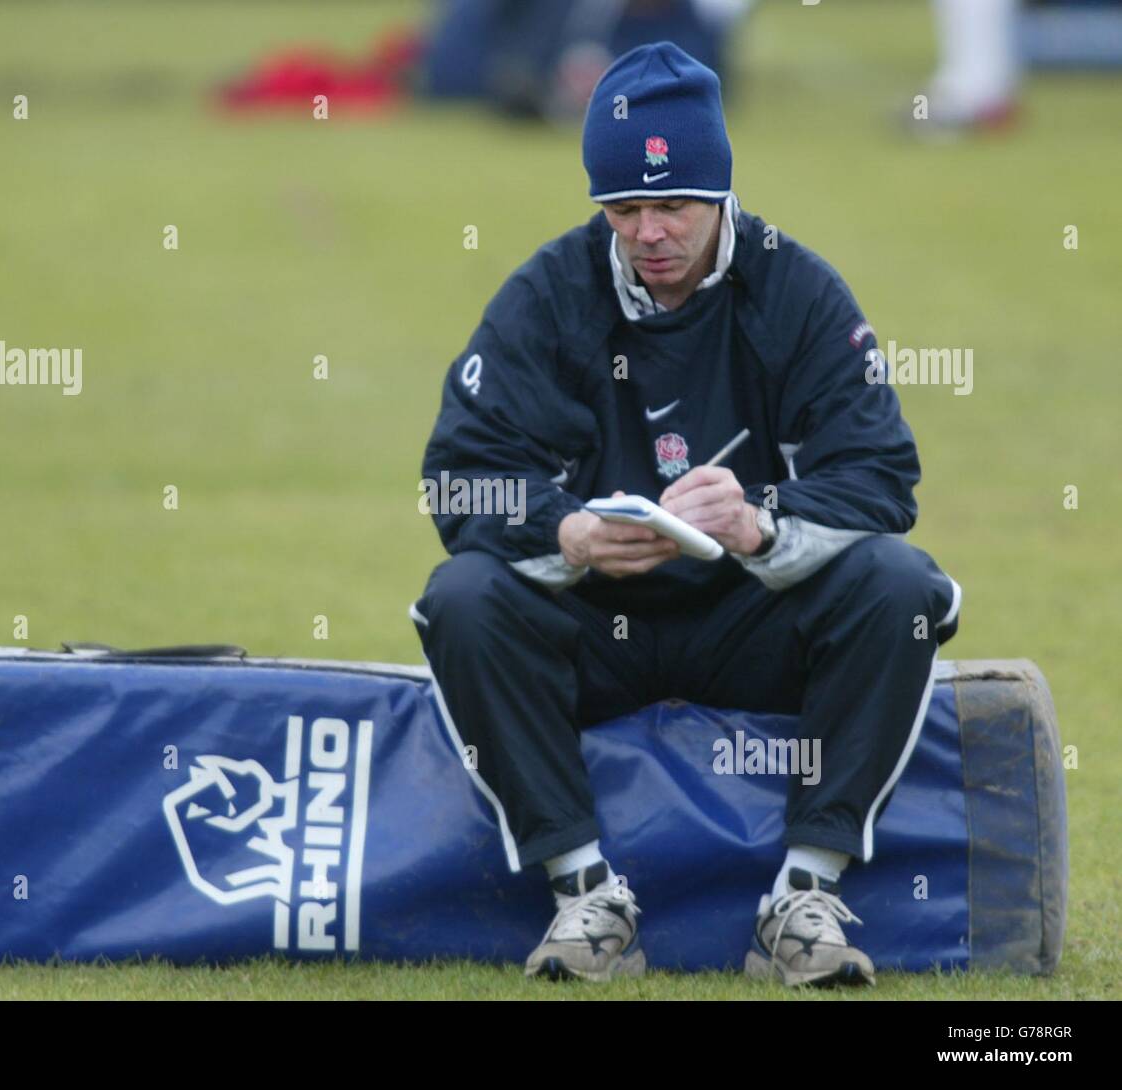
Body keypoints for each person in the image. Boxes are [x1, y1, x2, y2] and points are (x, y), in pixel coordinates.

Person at [410, 42, 962, 986]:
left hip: (750, 618)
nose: (650, 232)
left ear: (721, 196)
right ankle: (585, 895)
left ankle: (803, 898)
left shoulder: (798, 292)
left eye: (674, 206)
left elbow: (880, 476)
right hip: (597, 624)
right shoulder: (550, 293)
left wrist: (761, 521)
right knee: (462, 597)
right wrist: (567, 531)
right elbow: (461, 476)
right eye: (624, 209)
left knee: (901, 585)